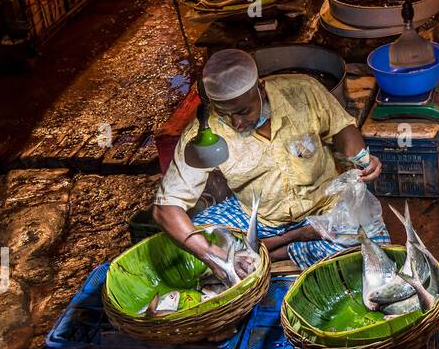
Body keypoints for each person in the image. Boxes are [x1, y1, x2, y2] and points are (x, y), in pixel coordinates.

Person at [152, 50, 388, 273]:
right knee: (184, 248)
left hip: (324, 209)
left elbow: (341, 129)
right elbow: (166, 210)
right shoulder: (204, 133)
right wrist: (212, 255)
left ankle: (268, 250)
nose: (236, 123)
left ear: (260, 89)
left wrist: (361, 158)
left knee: (368, 247)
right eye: (225, 113)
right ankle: (288, 242)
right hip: (259, 217)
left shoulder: (302, 91)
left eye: (244, 110)